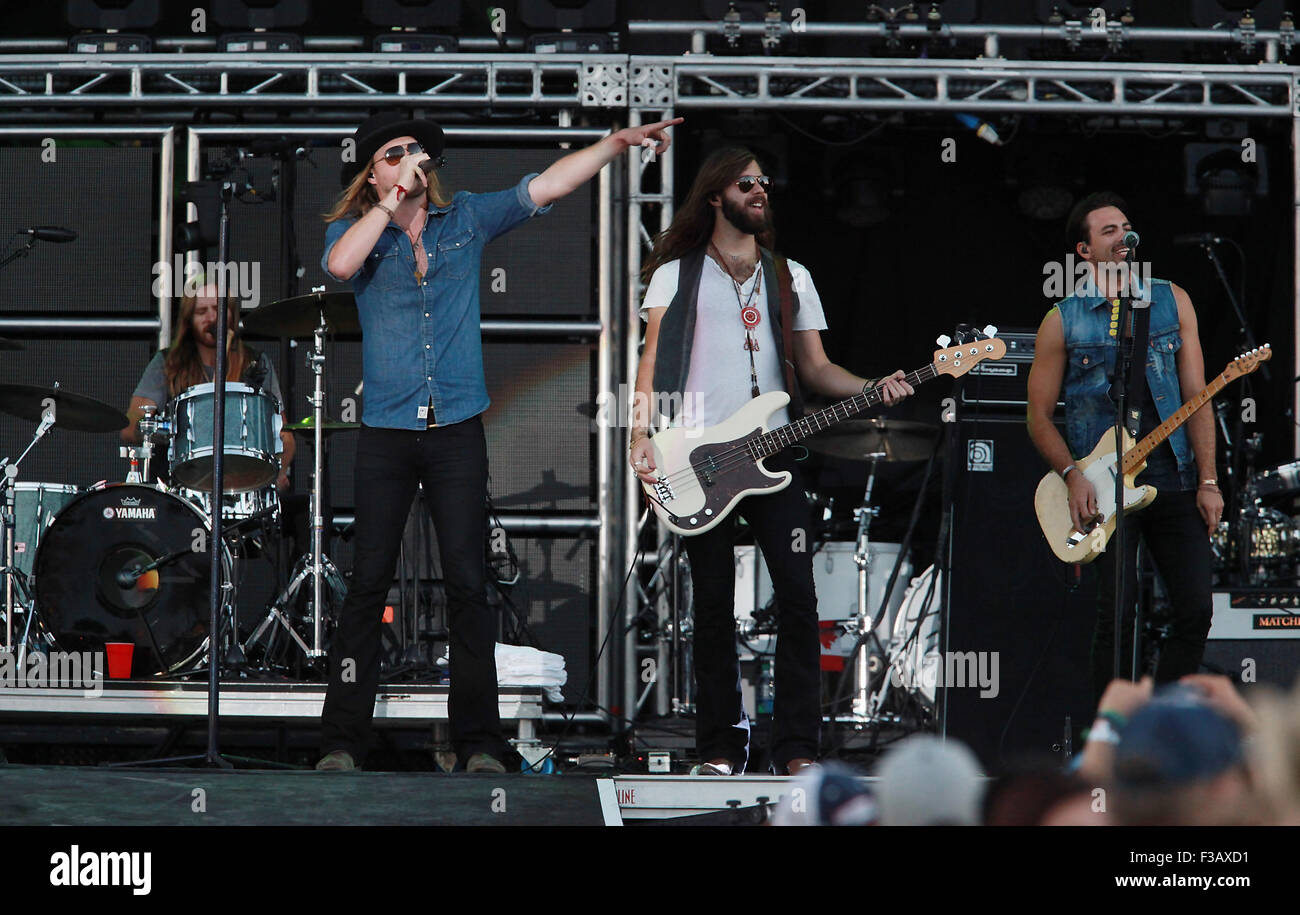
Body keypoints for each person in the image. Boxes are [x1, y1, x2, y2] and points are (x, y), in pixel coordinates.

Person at [316, 110, 681, 773]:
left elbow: (546, 187)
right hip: (387, 433)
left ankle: (478, 741)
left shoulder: (467, 221)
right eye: (394, 154)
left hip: (457, 426)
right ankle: (342, 740)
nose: (411, 159)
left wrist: (614, 143)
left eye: (416, 150)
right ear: (372, 175)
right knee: (368, 582)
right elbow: (339, 266)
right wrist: (388, 202)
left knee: (469, 584)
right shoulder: (357, 232)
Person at [630, 147, 912, 776]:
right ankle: (722, 749)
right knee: (710, 607)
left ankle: (796, 749)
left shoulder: (790, 277)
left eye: (764, 182)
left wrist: (875, 385)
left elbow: (815, 369)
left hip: (774, 455)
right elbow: (650, 364)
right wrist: (639, 434)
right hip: (697, 457)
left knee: (798, 600)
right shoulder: (676, 273)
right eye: (746, 182)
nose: (760, 190)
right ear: (715, 197)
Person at [1027, 191, 1222, 708]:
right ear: (1084, 251)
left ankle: (1160, 725)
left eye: (1126, 227)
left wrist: (1208, 480)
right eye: (1108, 230)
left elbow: (1198, 398)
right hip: (1103, 482)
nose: (1122, 236)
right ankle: (1109, 744)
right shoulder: (1062, 320)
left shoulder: (1172, 299)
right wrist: (1073, 475)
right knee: (1116, 617)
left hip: (1174, 475)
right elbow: (1038, 416)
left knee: (1195, 609)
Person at [122, 282, 294, 493]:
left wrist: (278, 473)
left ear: (231, 314)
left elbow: (284, 435)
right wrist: (166, 431)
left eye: (218, 309)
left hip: (244, 487)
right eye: (202, 312)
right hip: (182, 489)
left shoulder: (256, 363)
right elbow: (131, 427)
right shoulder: (168, 363)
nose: (212, 318)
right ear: (188, 320)